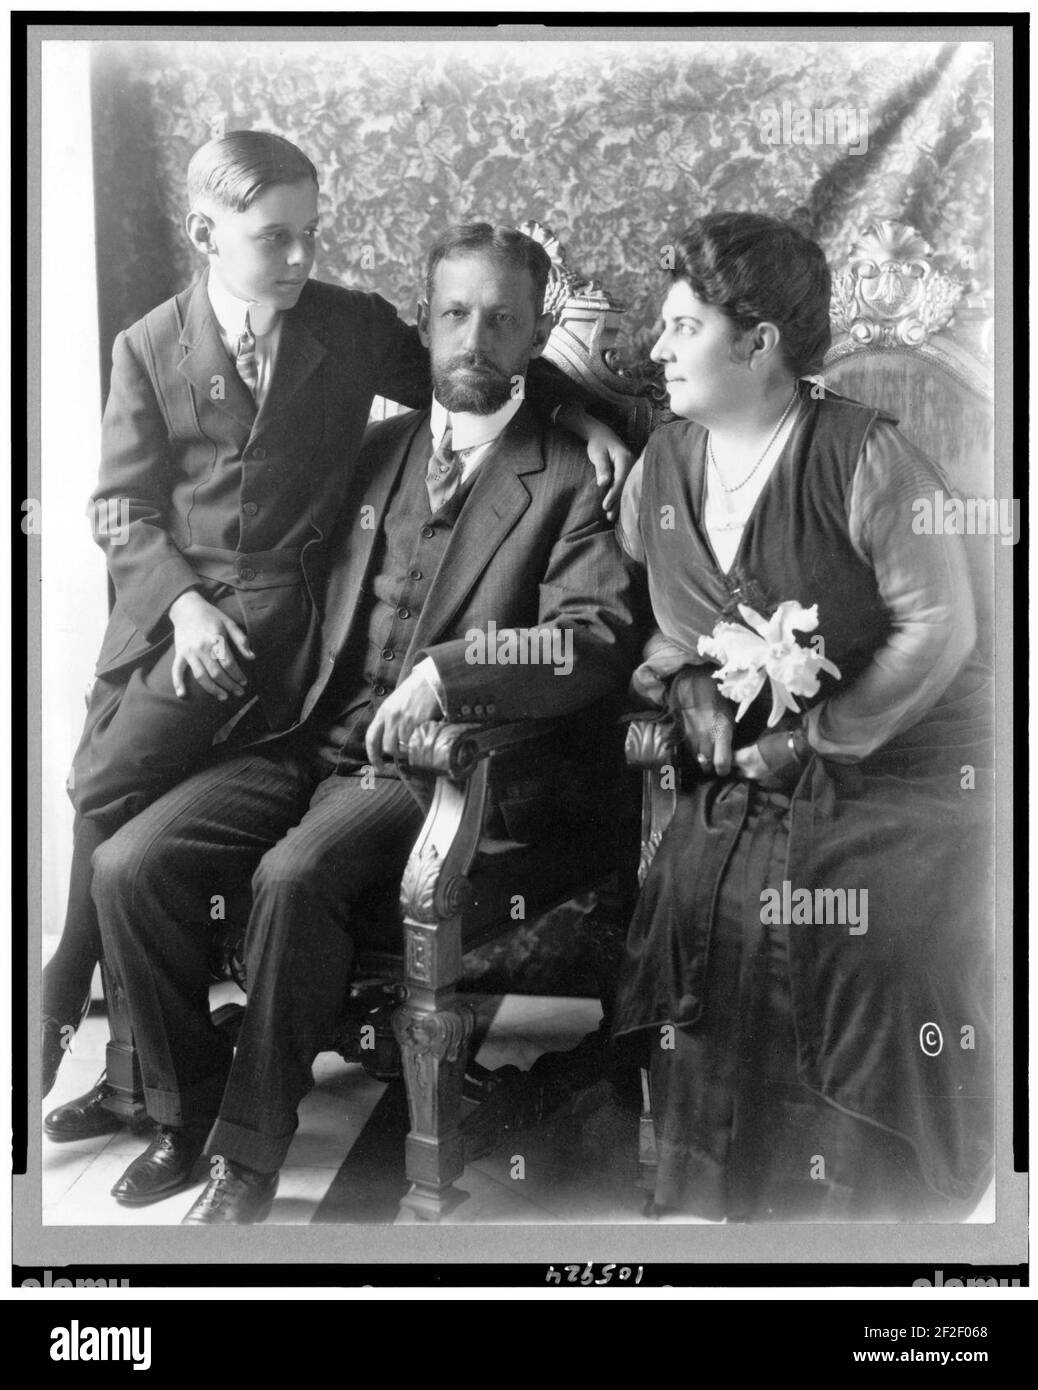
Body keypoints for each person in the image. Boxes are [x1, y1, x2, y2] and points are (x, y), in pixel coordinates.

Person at [42, 132, 633, 1122]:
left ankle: (198, 1103)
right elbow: (118, 511)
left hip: (330, 678)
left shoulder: (352, 327)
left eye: (311, 236)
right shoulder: (152, 345)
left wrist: (591, 423)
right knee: (109, 828)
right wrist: (183, 607)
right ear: (207, 234)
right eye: (276, 238)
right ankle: (111, 1055)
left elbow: (478, 365)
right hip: (198, 642)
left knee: (263, 869)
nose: (300, 259)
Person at [612, 212, 994, 1221]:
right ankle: (711, 1183)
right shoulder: (660, 469)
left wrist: (815, 738)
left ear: (759, 343)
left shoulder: (867, 458)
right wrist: (688, 685)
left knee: (872, 924)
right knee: (698, 894)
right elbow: (669, 634)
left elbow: (939, 629)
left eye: (682, 326)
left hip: (902, 760)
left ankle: (863, 1207)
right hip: (748, 771)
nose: (656, 349)